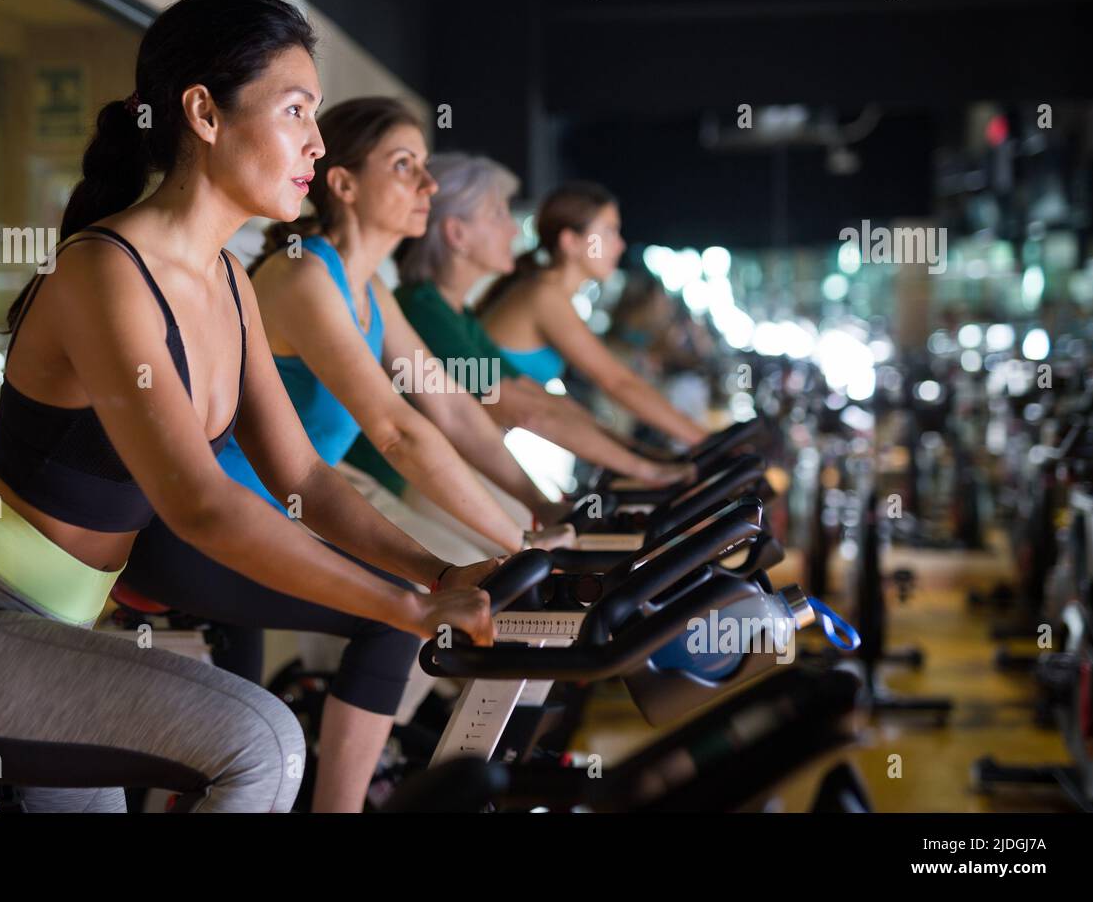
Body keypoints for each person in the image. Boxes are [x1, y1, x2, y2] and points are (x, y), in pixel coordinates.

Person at [0, 0, 491, 814]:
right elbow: (201, 506)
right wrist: (404, 607)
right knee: (261, 742)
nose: (316, 142)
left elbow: (303, 475)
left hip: (54, 635)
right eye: (296, 111)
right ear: (205, 114)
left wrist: (440, 570)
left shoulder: (228, 278)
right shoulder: (103, 271)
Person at [122, 96, 569, 812]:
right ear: (344, 184)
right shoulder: (305, 277)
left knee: (226, 741)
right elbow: (397, 430)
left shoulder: (369, 292)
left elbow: (449, 407)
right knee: (397, 620)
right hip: (216, 520)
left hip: (282, 513)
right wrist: (516, 540)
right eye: (405, 166)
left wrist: (542, 512)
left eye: (427, 168)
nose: (427, 184)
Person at [348, 152, 696, 500]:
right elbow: (545, 406)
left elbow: (540, 399)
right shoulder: (426, 309)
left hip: (428, 475)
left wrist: (640, 454)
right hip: (388, 483)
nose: (514, 229)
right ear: (456, 234)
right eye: (498, 214)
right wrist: (656, 462)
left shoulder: (456, 314)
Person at [476, 181, 710, 446]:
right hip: (467, 449)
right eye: (608, 232)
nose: (620, 245)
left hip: (483, 447)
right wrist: (703, 439)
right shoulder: (544, 296)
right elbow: (617, 382)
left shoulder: (548, 293)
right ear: (571, 242)